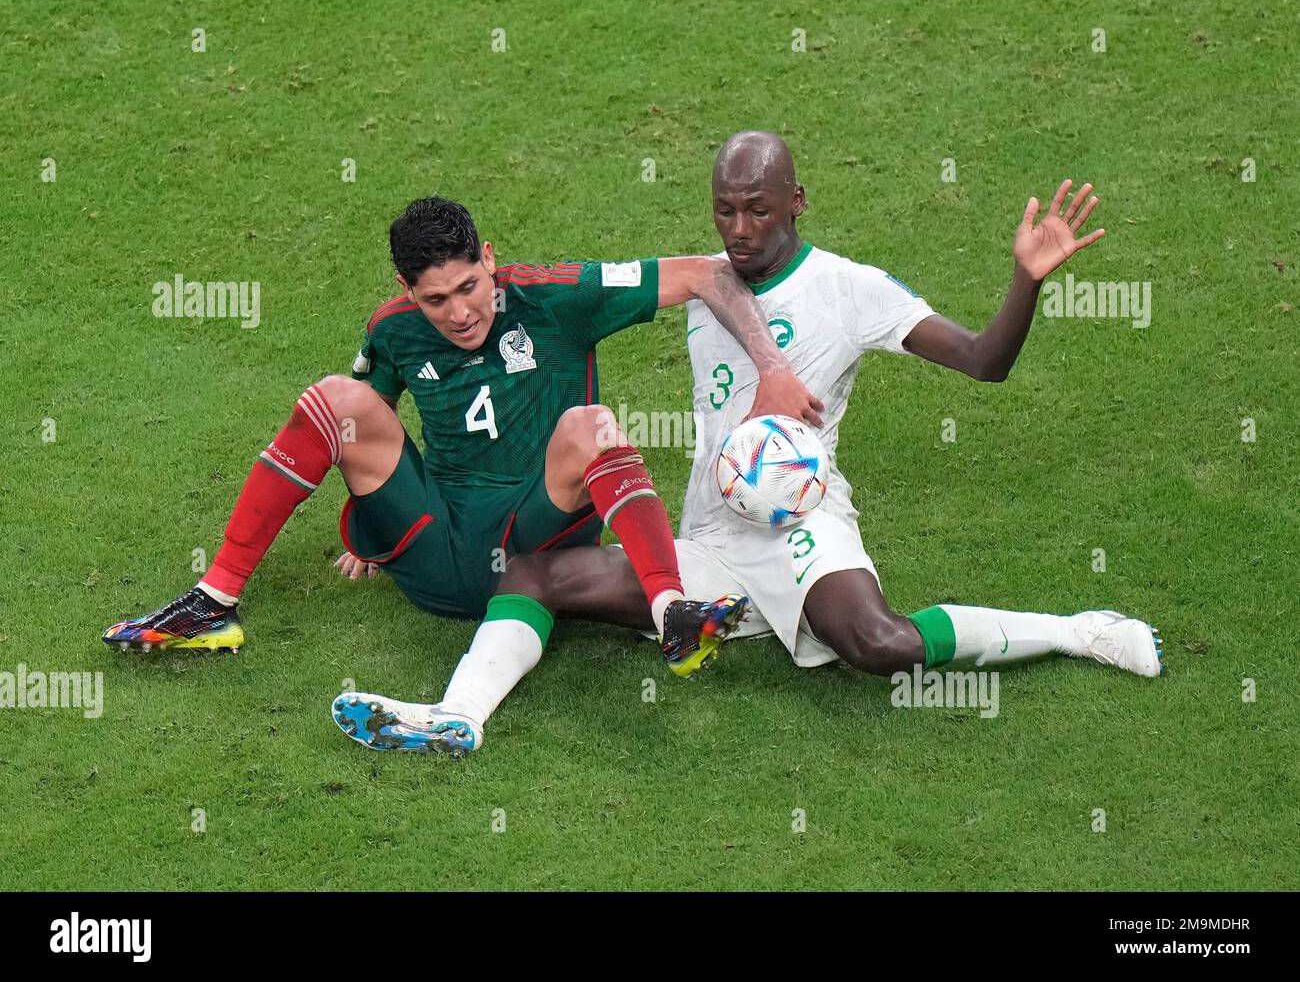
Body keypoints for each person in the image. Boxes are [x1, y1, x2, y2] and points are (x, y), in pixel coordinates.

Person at [331, 134, 1162, 759]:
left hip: (801, 520)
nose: (739, 228)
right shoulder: (711, 279)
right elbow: (683, 277)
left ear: (798, 200)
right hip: (711, 537)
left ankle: (1075, 629)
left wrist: (1025, 280)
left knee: (878, 647)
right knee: (531, 572)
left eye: (758, 209)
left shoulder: (850, 288)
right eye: (725, 210)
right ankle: (458, 716)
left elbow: (985, 362)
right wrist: (376, 528)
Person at [104, 195, 823, 680]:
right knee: (334, 395)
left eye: (469, 288)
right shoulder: (394, 328)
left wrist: (773, 368)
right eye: (435, 300)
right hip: (436, 551)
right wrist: (367, 533)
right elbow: (354, 426)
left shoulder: (560, 295)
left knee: (590, 426)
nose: (457, 313)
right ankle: (213, 602)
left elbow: (710, 273)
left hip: (532, 546)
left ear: (488, 257)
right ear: (406, 288)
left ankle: (673, 611)